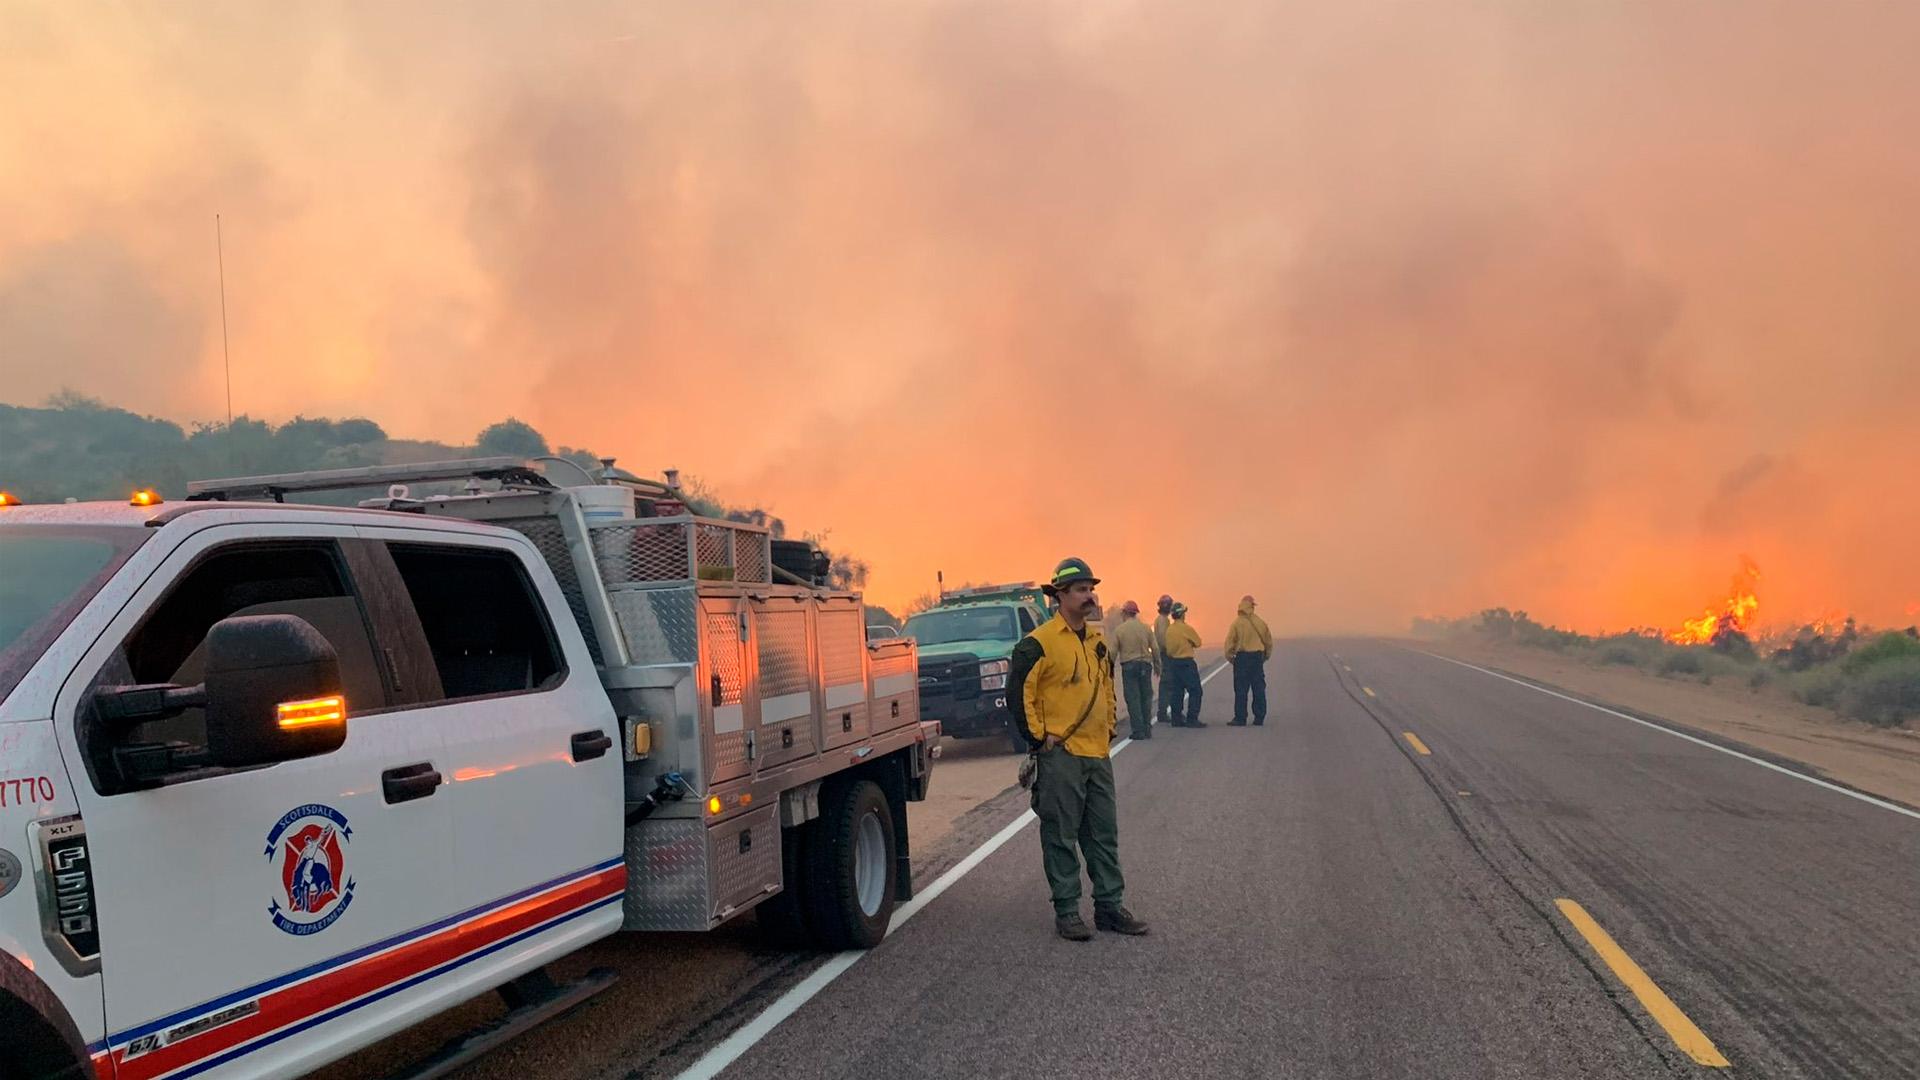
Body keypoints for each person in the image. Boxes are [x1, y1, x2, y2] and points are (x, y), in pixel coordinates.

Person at [1009, 558, 1150, 941]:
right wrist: (1039, 740)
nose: (1090, 595)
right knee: (1060, 835)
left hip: (1096, 754)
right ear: (1060, 596)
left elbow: (1106, 687)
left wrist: (1106, 729)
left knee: (1104, 834)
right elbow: (1020, 695)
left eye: (1091, 588)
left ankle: (1109, 907)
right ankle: (1067, 911)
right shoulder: (1037, 644)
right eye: (1082, 589)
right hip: (1061, 756)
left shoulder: (1098, 642)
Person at [1109, 600, 1158, 741]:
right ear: (1136, 613)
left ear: (1124, 613)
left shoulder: (1120, 630)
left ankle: (1138, 731)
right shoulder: (1146, 628)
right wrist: (1158, 666)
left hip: (1129, 667)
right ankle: (1147, 728)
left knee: (1133, 698)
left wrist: (1109, 669)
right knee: (1146, 697)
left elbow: (1112, 652)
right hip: (1145, 665)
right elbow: (1154, 648)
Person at [1224, 594, 1274, 726]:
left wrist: (1231, 659)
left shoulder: (1236, 623)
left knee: (1241, 689)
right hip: (1257, 658)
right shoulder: (1260, 623)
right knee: (1259, 688)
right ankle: (1259, 717)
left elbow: (1229, 645)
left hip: (1242, 659)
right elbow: (1268, 641)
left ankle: (1240, 718)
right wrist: (1266, 656)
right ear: (1252, 607)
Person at [1163, 602, 1205, 728]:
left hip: (1174, 663)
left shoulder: (1169, 630)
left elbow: (1169, 651)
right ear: (1181, 614)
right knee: (1195, 690)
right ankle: (1192, 718)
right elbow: (1198, 642)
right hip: (1186, 663)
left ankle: (1176, 719)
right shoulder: (1186, 628)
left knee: (1177, 691)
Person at [1152, 595, 1175, 726]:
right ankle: (1163, 712)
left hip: (1163, 655)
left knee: (1167, 684)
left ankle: (1164, 711)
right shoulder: (1163, 621)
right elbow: (1163, 640)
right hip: (1166, 656)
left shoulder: (1161, 620)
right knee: (1167, 684)